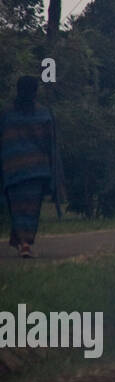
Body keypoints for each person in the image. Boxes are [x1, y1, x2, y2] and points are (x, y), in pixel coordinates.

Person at [0, 77, 66, 258]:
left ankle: (23, 243)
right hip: (37, 170)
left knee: (17, 209)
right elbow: (50, 145)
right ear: (35, 92)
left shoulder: (6, 115)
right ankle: (25, 243)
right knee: (31, 209)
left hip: (12, 171)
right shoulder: (44, 114)